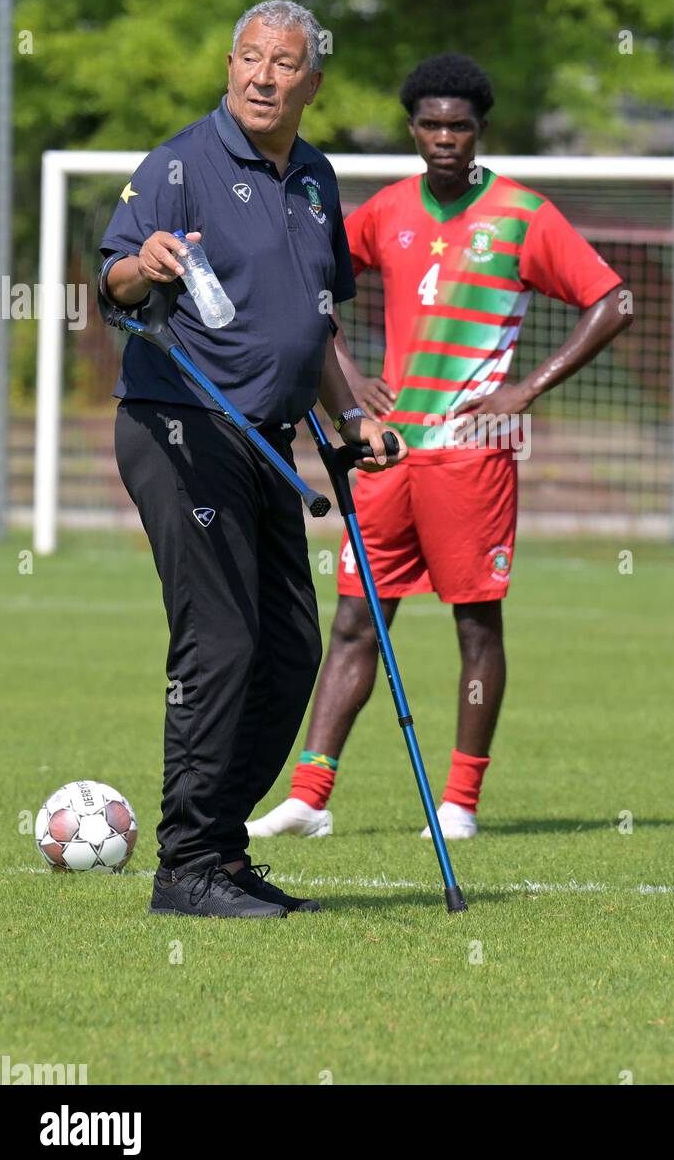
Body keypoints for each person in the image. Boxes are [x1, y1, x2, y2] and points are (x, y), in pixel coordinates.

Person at [248, 52, 632, 844]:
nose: (445, 138)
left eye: (459, 126)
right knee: (356, 622)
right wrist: (348, 378)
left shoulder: (523, 215)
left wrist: (527, 389)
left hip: (472, 456)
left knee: (475, 627)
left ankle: (458, 804)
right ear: (413, 129)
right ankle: (310, 799)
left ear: (479, 131)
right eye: (431, 125)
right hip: (385, 454)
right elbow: (307, 282)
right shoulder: (386, 210)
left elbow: (614, 299)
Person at [98, 0, 404, 916]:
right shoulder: (181, 164)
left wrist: (353, 420)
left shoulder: (315, 176)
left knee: (290, 648)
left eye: (284, 64)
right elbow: (111, 280)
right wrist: (141, 265)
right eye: (249, 58)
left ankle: (221, 854)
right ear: (229, 66)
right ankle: (184, 866)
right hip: (182, 425)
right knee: (222, 640)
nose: (264, 76)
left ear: (312, 82)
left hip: (271, 443)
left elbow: (316, 323)